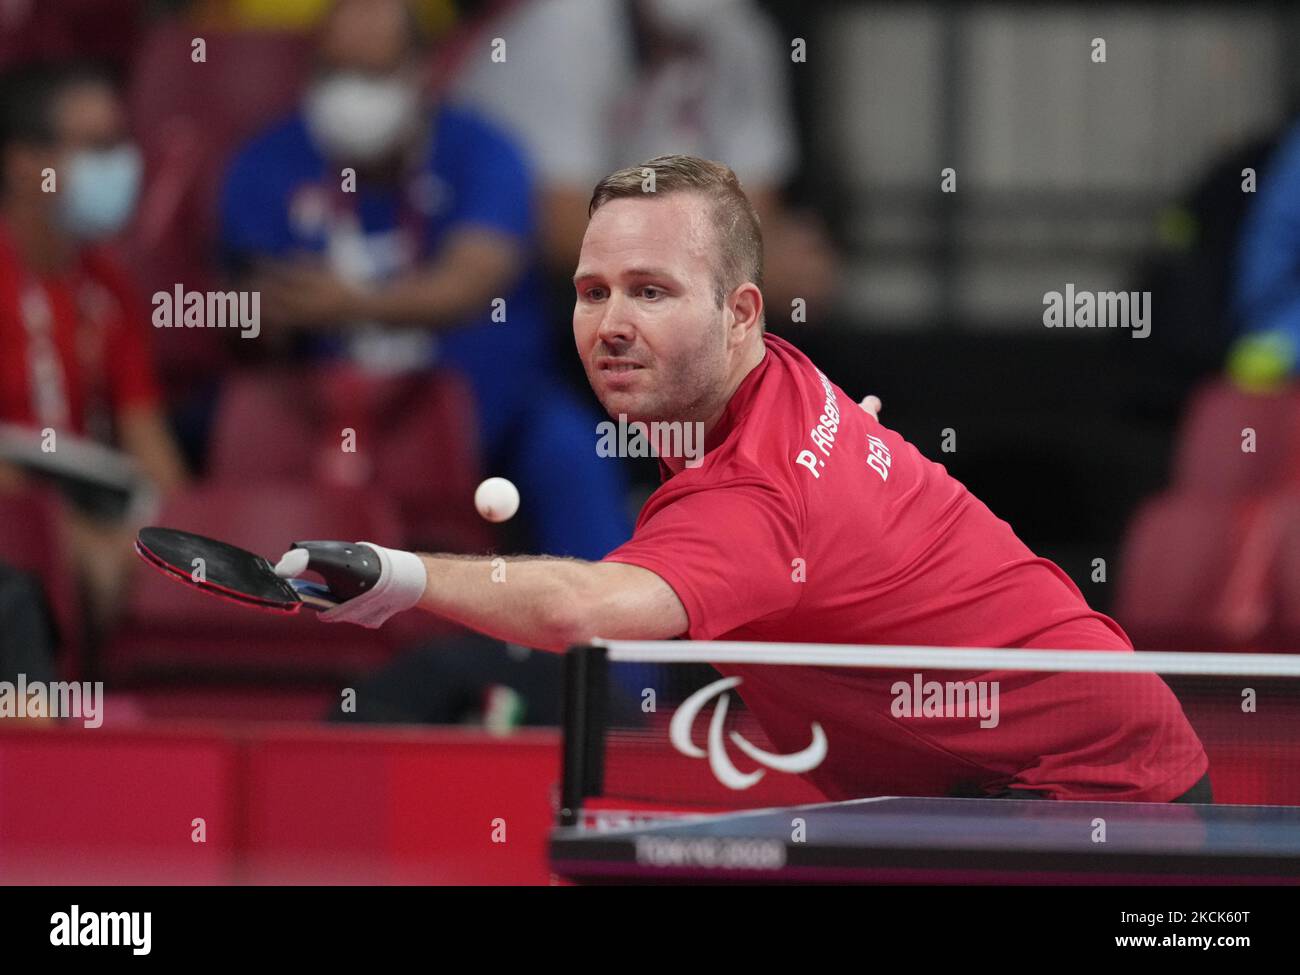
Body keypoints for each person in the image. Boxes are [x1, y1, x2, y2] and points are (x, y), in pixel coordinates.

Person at [273, 154, 1210, 804]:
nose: (609, 323)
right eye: (591, 291)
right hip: (1010, 787)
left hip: (1094, 801)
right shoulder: (774, 380)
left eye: (651, 289)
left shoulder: (759, 494)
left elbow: (583, 613)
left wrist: (399, 575)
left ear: (740, 314)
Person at [219, 0, 631, 560]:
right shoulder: (269, 162)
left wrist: (350, 303)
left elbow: (471, 282)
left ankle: (616, 643)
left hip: (487, 411)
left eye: (373, 74)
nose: (351, 94)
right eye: (335, 73)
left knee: (570, 448)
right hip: (319, 412)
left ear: (422, 71)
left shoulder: (484, 151)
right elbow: (249, 303)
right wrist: (260, 317)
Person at [0, 62, 189, 629]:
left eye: (118, 145)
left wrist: (167, 540)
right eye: (94, 147)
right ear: (26, 163)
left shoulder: (109, 288)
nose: (119, 166)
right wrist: (57, 532)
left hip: (89, 516)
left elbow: (154, 456)